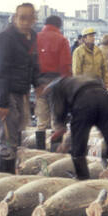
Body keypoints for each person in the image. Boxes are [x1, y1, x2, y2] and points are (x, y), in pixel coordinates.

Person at [41, 74, 108, 181]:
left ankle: (83, 178)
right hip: (105, 98)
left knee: (78, 147)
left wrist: (63, 141)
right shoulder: (72, 80)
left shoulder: (54, 88)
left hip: (84, 100)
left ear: (44, 86)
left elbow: (59, 113)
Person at [0, 2, 40, 172]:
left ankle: (9, 171)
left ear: (34, 19)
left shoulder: (32, 37)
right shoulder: (5, 38)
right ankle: (5, 176)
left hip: (21, 93)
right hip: (5, 93)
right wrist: (1, 103)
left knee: (17, 136)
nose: (25, 22)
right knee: (7, 140)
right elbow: (0, 70)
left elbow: (32, 64)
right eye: (21, 18)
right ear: (14, 18)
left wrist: (37, 84)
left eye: (29, 18)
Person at [35, 15, 71, 150]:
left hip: (39, 83)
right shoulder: (62, 40)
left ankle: (38, 151)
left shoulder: (36, 38)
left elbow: (31, 62)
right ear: (59, 26)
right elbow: (65, 65)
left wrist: (35, 83)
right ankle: (54, 153)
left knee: (41, 120)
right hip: (56, 83)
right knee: (56, 121)